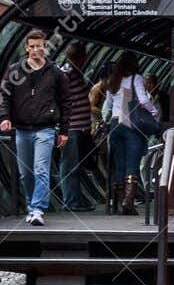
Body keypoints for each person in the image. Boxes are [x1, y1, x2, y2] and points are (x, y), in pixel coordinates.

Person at [0, 29, 70, 225]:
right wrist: (4, 117)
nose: (36, 50)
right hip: (22, 129)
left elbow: (66, 102)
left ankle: (38, 208)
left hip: (45, 129)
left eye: (39, 46)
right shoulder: (15, 70)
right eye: (32, 46)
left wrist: (64, 130)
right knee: (25, 173)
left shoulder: (55, 72)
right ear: (26, 48)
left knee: (40, 169)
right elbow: (4, 95)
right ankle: (32, 206)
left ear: (45, 47)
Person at [103, 52, 159, 216]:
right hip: (131, 125)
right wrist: (154, 113)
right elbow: (143, 100)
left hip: (115, 125)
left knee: (119, 164)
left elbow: (109, 103)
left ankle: (121, 202)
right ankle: (128, 202)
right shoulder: (136, 78)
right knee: (132, 165)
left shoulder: (112, 81)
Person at [55, 41, 94, 212]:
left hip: (78, 128)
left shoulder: (75, 73)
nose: (85, 59)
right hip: (70, 129)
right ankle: (71, 202)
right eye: (84, 56)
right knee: (69, 166)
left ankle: (77, 199)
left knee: (75, 165)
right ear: (78, 57)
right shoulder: (66, 72)